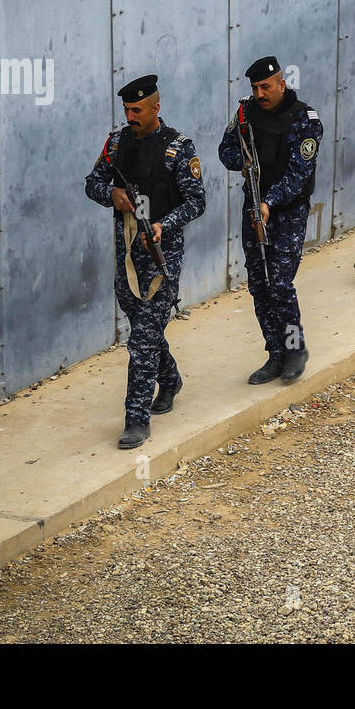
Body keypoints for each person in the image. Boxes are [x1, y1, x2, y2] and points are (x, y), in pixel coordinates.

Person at [85, 74, 205, 449]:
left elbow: (197, 201)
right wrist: (112, 194)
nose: (130, 116)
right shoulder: (116, 143)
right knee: (143, 328)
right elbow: (92, 182)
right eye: (126, 109)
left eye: (137, 110)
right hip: (127, 257)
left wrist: (164, 224)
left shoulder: (178, 148)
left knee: (141, 341)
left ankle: (136, 420)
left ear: (156, 107)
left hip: (161, 256)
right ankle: (169, 379)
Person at [218, 56, 323, 385]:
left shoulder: (305, 120)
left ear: (282, 84)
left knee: (279, 283)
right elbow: (225, 150)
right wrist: (244, 161)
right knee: (259, 284)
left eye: (265, 87)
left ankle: (295, 349)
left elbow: (298, 174)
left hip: (287, 211)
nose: (259, 94)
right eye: (255, 88)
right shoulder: (246, 113)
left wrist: (270, 201)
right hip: (254, 207)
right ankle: (275, 353)